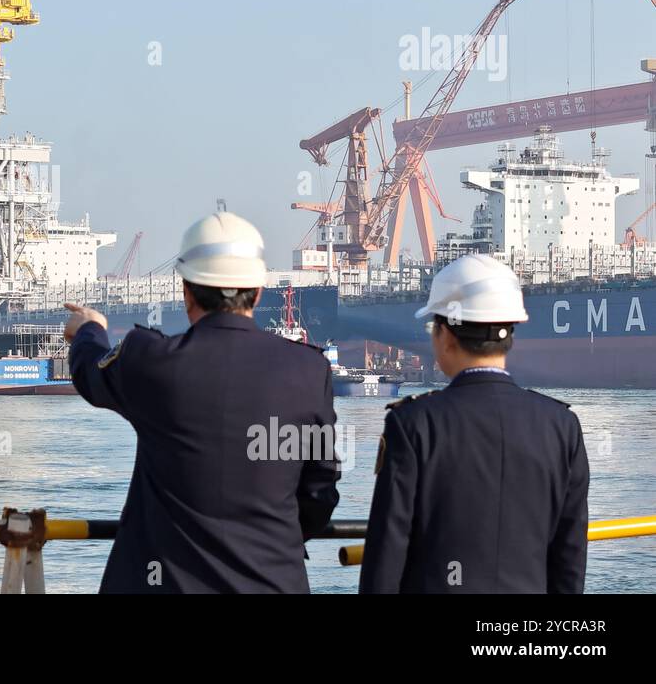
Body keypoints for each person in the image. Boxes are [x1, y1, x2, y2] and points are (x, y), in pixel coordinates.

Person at [65, 211, 340, 593]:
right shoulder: (310, 371)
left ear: (186, 290)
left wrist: (88, 329)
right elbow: (319, 492)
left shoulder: (150, 360)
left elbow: (90, 375)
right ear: (258, 291)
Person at [360, 254, 590, 594]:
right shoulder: (562, 426)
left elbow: (387, 552)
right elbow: (569, 556)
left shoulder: (412, 424)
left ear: (446, 336)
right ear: (509, 335)